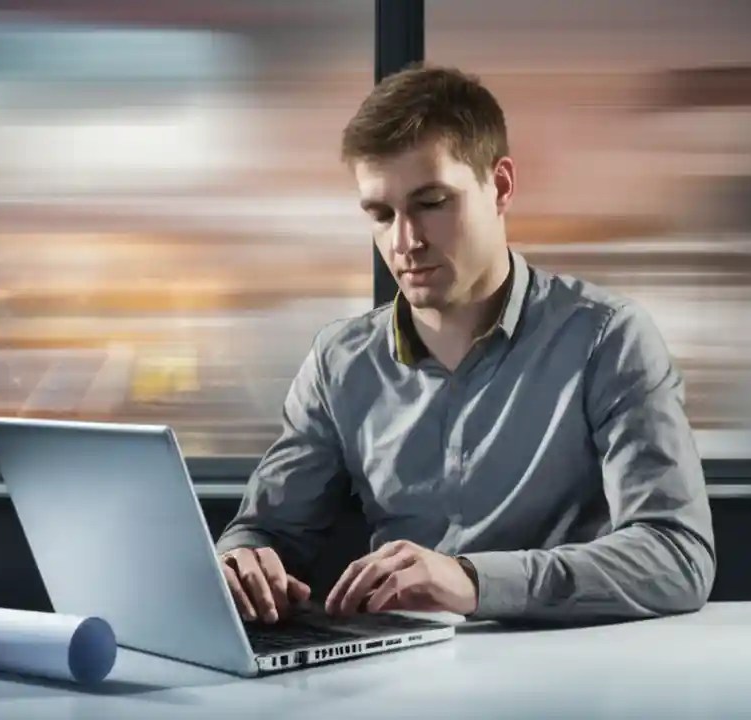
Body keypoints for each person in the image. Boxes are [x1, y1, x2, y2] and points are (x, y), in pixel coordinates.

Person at [214, 65, 716, 625]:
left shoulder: (607, 338)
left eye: (431, 202)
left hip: (566, 672)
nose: (405, 241)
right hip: (391, 677)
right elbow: (267, 530)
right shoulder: (339, 363)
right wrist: (240, 560)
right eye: (381, 214)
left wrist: (473, 580)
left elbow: (678, 557)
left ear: (500, 186)